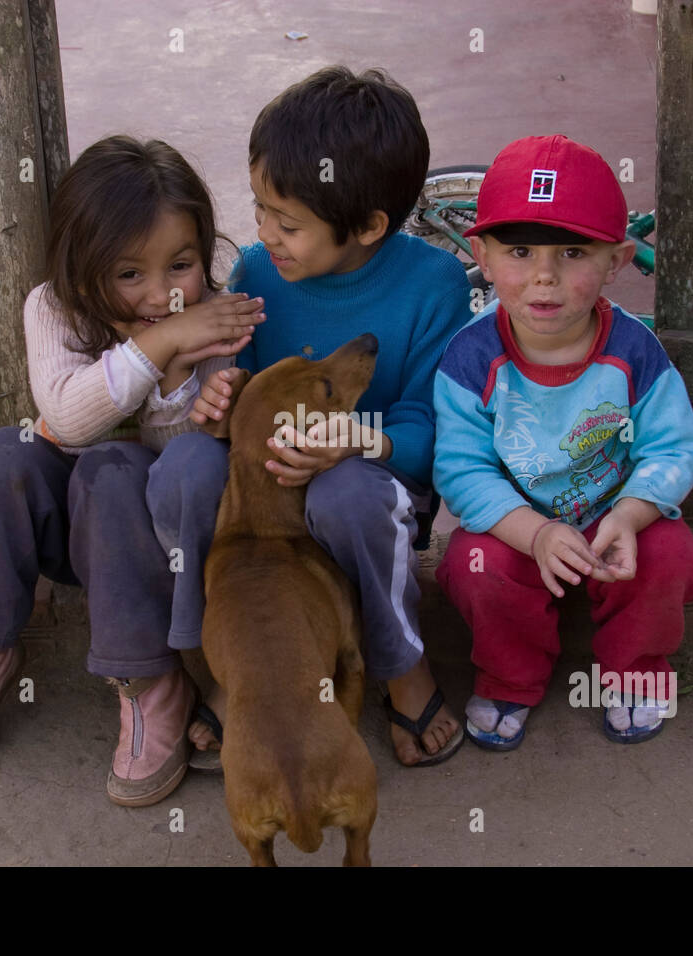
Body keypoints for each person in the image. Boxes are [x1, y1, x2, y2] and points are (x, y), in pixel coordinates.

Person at [0, 135, 265, 807]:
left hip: (145, 545)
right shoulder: (52, 309)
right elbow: (70, 418)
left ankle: (151, 682)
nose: (163, 293)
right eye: (130, 273)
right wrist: (163, 345)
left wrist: (181, 373)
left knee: (113, 468)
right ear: (83, 267)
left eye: (182, 265)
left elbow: (175, 462)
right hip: (66, 534)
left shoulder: (219, 319)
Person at [148, 66, 472, 768]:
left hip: (371, 491)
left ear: (369, 226)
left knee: (346, 491)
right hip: (264, 492)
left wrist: (362, 441)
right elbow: (238, 396)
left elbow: (432, 434)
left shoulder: (434, 286)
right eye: (261, 210)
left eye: (287, 223)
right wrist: (217, 403)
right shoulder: (260, 275)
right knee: (183, 468)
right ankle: (224, 666)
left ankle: (400, 663)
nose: (264, 234)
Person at [432, 135, 693, 750]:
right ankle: (510, 676)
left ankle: (635, 669)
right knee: (471, 563)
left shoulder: (636, 351)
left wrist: (631, 514)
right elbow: (461, 470)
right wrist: (533, 533)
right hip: (518, 530)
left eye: (572, 252)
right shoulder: (469, 358)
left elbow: (674, 450)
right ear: (480, 253)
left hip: (616, 521)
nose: (544, 275)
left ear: (617, 260)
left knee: (668, 552)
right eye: (520, 249)